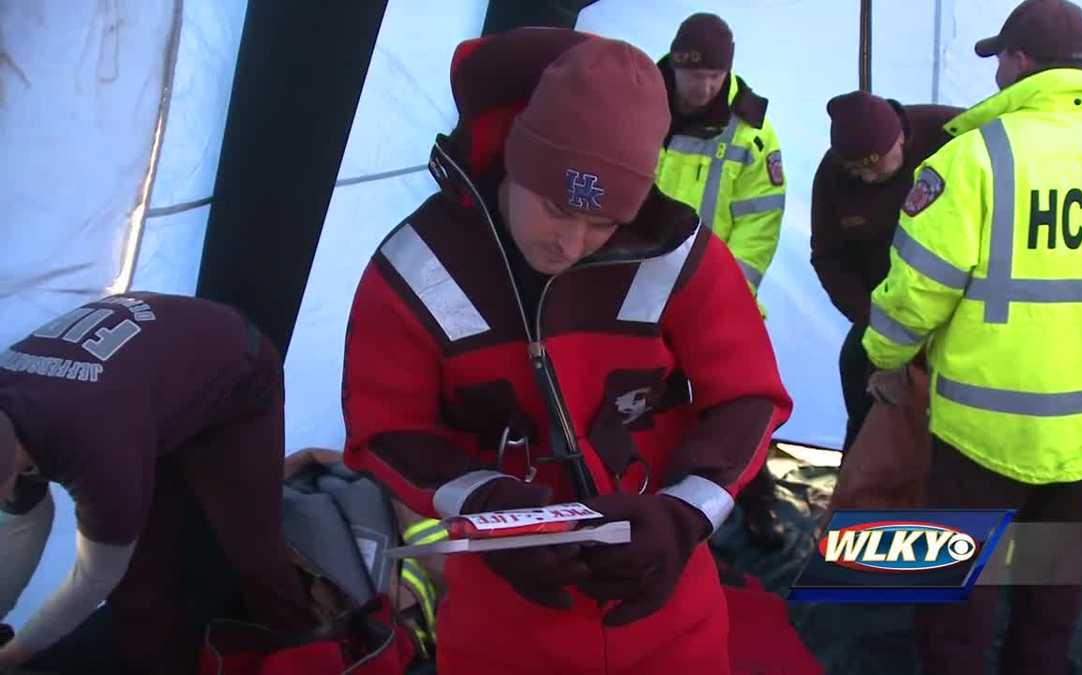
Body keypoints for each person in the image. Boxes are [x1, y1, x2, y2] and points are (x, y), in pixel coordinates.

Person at [341, 29, 791, 675]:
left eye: (605, 222)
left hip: (667, 613)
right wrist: (485, 502)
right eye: (556, 208)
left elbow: (749, 392)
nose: (572, 243)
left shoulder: (676, 251)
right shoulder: (416, 269)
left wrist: (684, 515)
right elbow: (385, 424)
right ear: (517, 158)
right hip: (503, 624)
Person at [861, 1, 1082, 673]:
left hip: (979, 434)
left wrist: (885, 359)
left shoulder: (975, 158)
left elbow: (916, 292)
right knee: (1047, 589)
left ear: (1019, 63)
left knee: (961, 589)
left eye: (999, 61)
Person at [0, 293, 314, 674]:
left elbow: (94, 577)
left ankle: (304, 656)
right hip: (144, 393)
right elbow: (25, 523)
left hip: (237, 377)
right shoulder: (8, 404)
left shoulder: (94, 444)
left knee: (252, 550)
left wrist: (13, 656)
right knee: (137, 582)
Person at [654, 12, 788, 547]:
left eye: (714, 76)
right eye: (694, 75)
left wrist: (730, 295)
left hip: (715, 296)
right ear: (675, 65)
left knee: (737, 410)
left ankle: (757, 502)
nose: (704, 86)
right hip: (638, 292)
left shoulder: (752, 132)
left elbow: (760, 225)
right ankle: (657, 502)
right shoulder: (640, 104)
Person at [810, 90, 961, 450]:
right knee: (855, 366)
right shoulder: (833, 174)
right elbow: (829, 258)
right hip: (883, 309)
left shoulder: (951, 135)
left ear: (900, 138)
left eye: (875, 164)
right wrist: (873, 321)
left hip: (957, 307)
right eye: (856, 170)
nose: (867, 177)